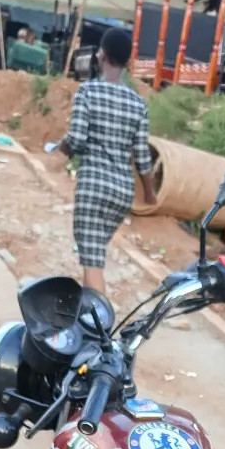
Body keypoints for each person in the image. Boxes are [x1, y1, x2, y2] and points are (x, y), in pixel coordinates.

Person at [56, 26, 156, 297]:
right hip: (121, 194)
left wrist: (58, 151)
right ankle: (89, 318)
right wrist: (150, 193)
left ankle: (98, 324)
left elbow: (76, 139)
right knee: (95, 253)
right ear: (126, 62)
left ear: (101, 55)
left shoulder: (87, 92)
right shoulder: (138, 104)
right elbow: (143, 157)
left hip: (93, 188)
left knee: (92, 263)